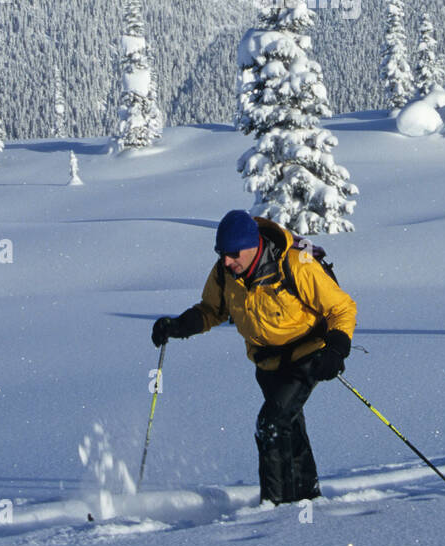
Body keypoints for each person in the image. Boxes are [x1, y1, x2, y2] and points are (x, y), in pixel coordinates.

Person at [151, 209, 357, 506]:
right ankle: (308, 500)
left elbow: (342, 308)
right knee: (289, 426)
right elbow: (211, 310)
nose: (226, 261)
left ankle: (276, 508)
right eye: (221, 253)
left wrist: (337, 350)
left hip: (307, 354)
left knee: (271, 424)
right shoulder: (225, 273)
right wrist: (177, 326)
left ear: (254, 245)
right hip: (267, 362)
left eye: (233, 254)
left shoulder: (296, 263)